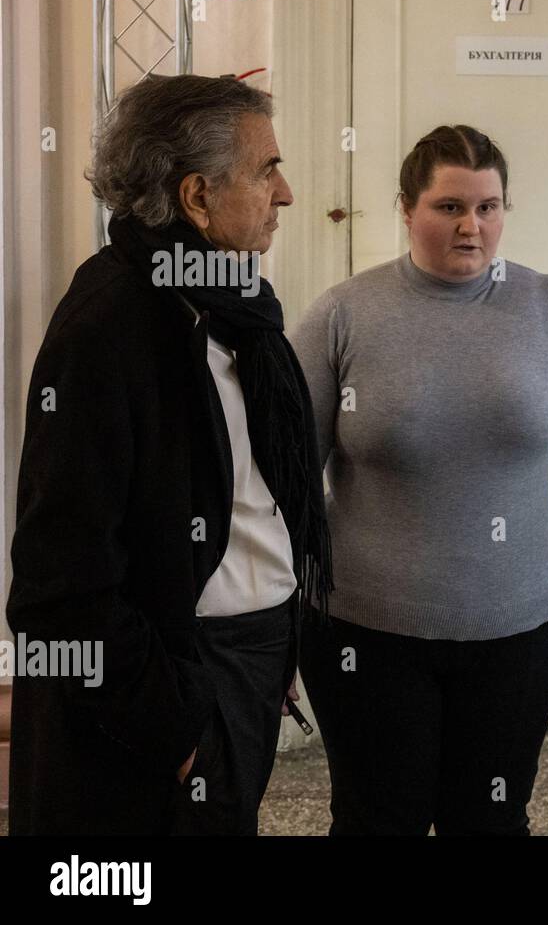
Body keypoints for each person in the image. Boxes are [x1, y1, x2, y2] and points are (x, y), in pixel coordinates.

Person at [290, 124, 548, 835]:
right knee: (375, 819)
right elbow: (287, 469)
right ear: (405, 208)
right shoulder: (344, 314)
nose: (472, 226)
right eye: (449, 207)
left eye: (488, 207)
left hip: (518, 631)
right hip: (365, 632)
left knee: (487, 819)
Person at [5, 74, 331, 834]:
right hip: (170, 693)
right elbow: (60, 588)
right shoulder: (109, 325)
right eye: (265, 170)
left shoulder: (232, 307)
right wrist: (176, 731)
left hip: (244, 666)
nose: (284, 193)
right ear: (196, 198)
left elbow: (254, 503)